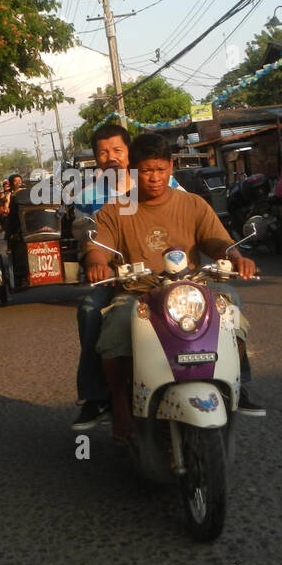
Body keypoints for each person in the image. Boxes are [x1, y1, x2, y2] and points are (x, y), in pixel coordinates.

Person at [83, 133, 263, 445]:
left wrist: (235, 256)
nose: (154, 178)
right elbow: (100, 246)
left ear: (171, 167)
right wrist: (98, 262)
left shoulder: (193, 204)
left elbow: (217, 240)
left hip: (191, 289)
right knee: (116, 329)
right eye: (147, 171)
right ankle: (119, 401)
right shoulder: (116, 209)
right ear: (134, 171)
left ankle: (238, 383)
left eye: (161, 169)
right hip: (138, 292)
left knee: (232, 307)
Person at [70, 123, 189, 432]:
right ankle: (98, 396)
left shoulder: (165, 182)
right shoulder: (88, 197)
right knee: (89, 311)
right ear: (96, 158)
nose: (111, 158)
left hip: (168, 274)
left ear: (130, 153)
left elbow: (193, 217)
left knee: (222, 305)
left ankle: (236, 383)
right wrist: (97, 264)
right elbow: (89, 242)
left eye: (117, 150)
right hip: (118, 279)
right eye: (103, 152)